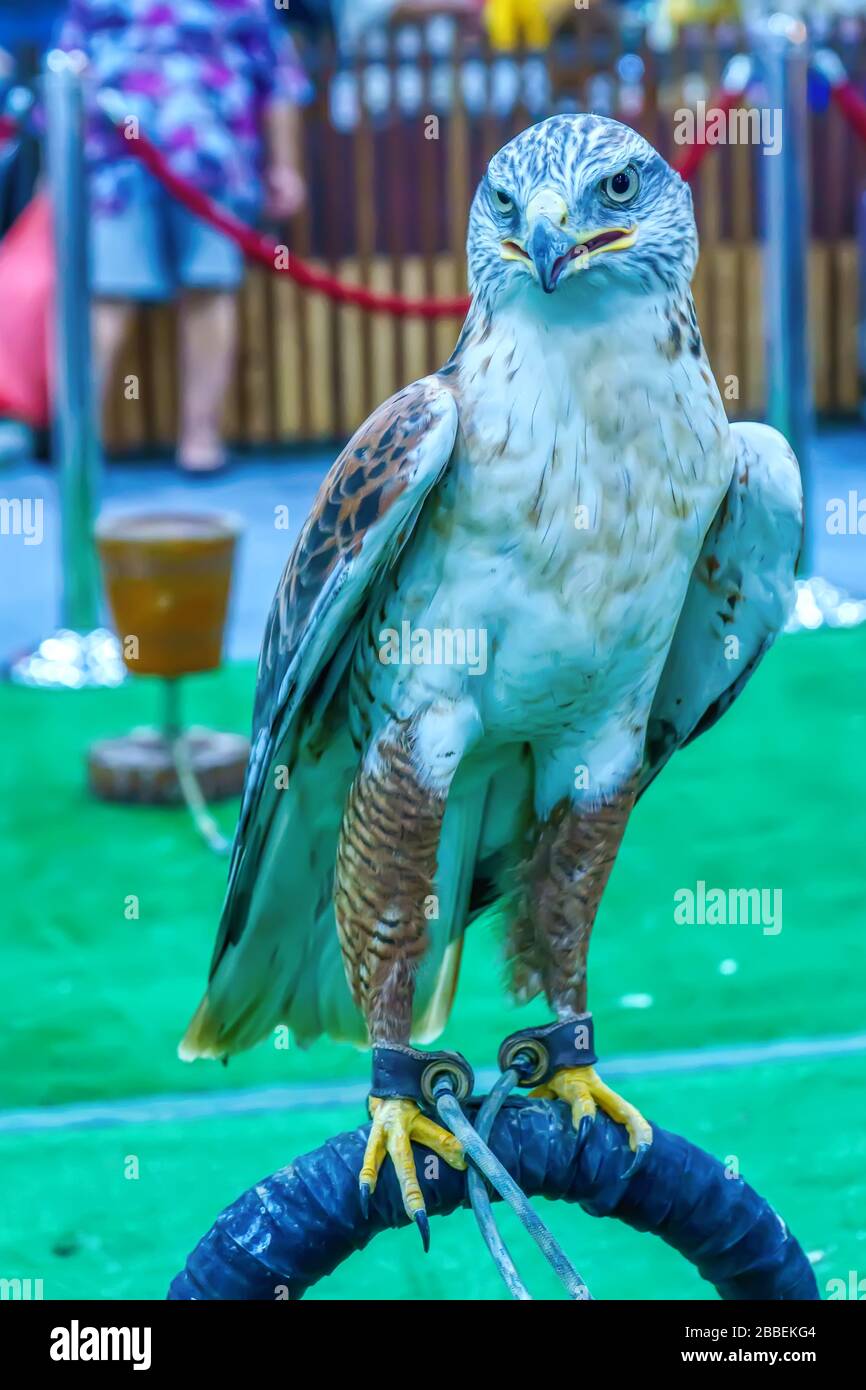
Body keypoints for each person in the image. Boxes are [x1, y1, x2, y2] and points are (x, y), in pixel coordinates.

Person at [58, 0, 309, 473]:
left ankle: (200, 441)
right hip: (116, 168)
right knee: (109, 296)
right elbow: (67, 75)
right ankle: (76, 444)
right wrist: (59, 172)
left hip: (214, 161)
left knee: (210, 288)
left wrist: (286, 166)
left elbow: (279, 80)